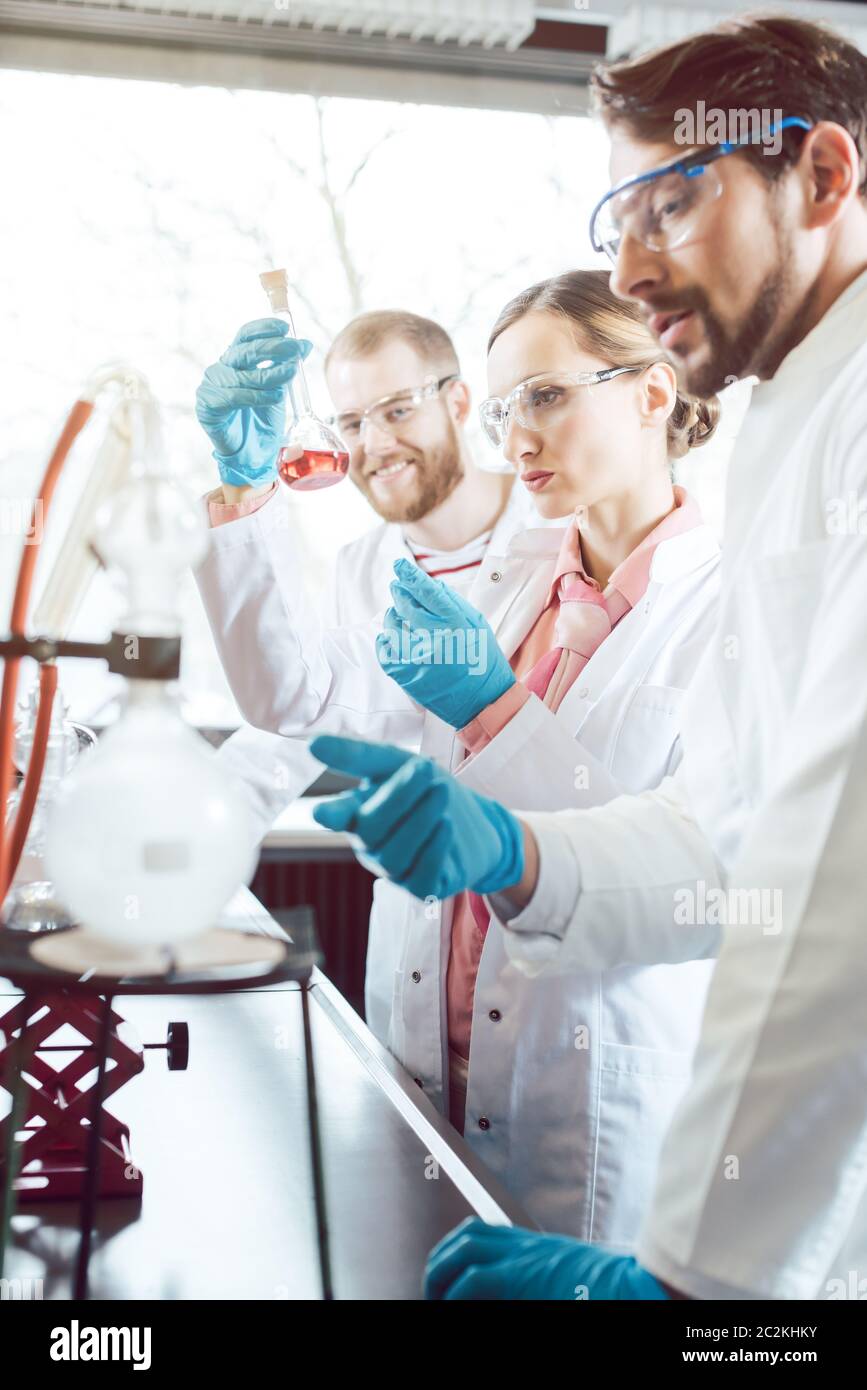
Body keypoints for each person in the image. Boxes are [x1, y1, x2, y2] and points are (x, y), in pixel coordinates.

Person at [311, 14, 867, 1300]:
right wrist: (520, 852)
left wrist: (693, 1285)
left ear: (825, 178)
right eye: (613, 224)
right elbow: (725, 840)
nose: (629, 270)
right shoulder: (801, 411)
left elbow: (833, 879)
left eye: (670, 205)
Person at [199, 258, 724, 1239]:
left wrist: (495, 712)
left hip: (593, 1120)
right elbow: (294, 693)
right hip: (426, 1077)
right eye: (507, 409)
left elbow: (677, 880)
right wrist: (245, 487)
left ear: (655, 391)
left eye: (550, 397)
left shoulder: (732, 615)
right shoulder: (500, 585)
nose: (518, 436)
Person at [195, 309, 524, 834]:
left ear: (457, 402)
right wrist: (168, 841)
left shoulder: (554, 526)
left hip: (542, 877)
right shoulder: (358, 570)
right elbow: (288, 734)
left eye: (397, 410)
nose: (373, 443)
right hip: (415, 896)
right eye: (351, 423)